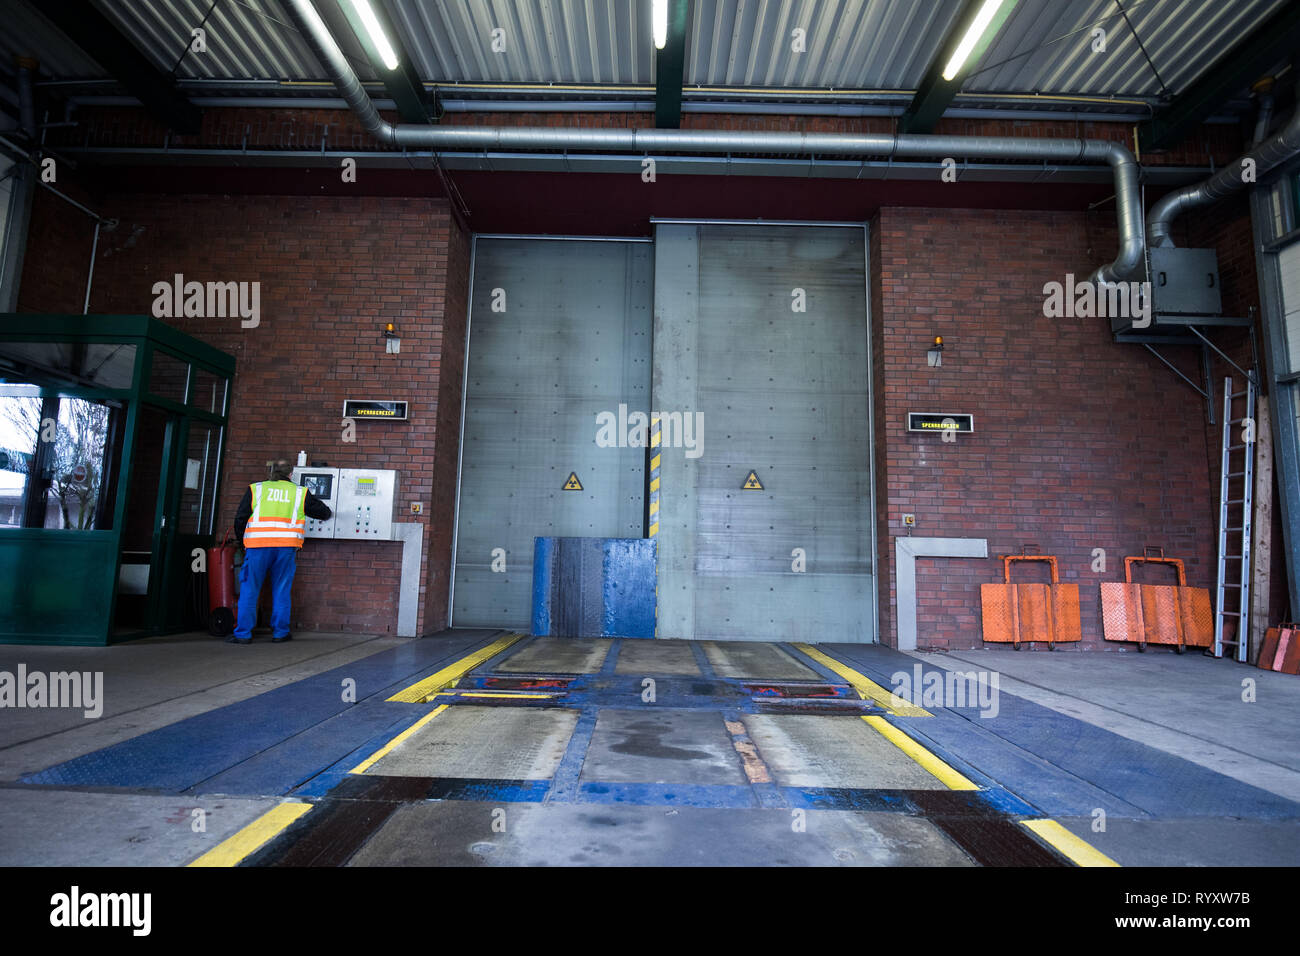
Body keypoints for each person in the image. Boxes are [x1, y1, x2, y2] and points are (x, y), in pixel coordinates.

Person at [229, 459, 332, 644]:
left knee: (250, 589)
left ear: (270, 472)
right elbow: (324, 512)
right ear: (291, 475)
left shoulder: (256, 489)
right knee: (281, 589)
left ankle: (243, 634)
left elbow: (240, 519)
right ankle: (280, 633)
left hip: (257, 547)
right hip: (285, 548)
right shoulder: (300, 492)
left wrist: (242, 543)